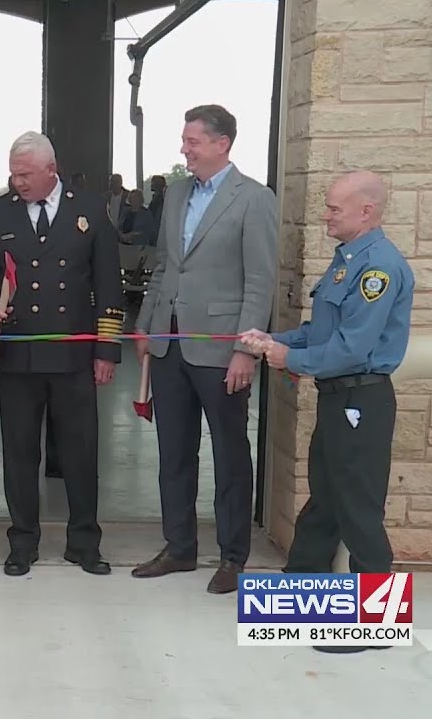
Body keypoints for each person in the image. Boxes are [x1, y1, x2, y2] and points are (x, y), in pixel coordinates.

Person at [241, 170, 413, 655]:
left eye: (334, 208)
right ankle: (300, 597)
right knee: (325, 502)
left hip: (361, 398)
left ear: (367, 211)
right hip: (339, 399)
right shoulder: (348, 261)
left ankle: (373, 625)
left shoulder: (378, 269)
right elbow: (323, 333)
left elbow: (352, 348)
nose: (325, 215)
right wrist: (273, 341)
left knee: (357, 510)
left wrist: (287, 359)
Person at [132, 105, 278, 595]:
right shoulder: (176, 195)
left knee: (230, 454)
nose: (184, 149)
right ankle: (179, 548)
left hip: (221, 350)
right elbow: (163, 266)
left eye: (193, 141)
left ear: (222, 143)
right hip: (171, 343)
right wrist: (146, 329)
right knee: (174, 452)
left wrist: (246, 350)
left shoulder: (254, 199)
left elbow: (260, 282)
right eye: (184, 140)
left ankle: (233, 557)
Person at [0, 131, 123, 578]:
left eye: (25, 174)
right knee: (18, 452)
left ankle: (84, 542)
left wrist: (106, 349)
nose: (17, 182)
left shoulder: (90, 209)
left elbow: (108, 285)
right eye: (13, 174)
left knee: (80, 451)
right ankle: (23, 541)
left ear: (51, 170)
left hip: (73, 355)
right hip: (18, 356)